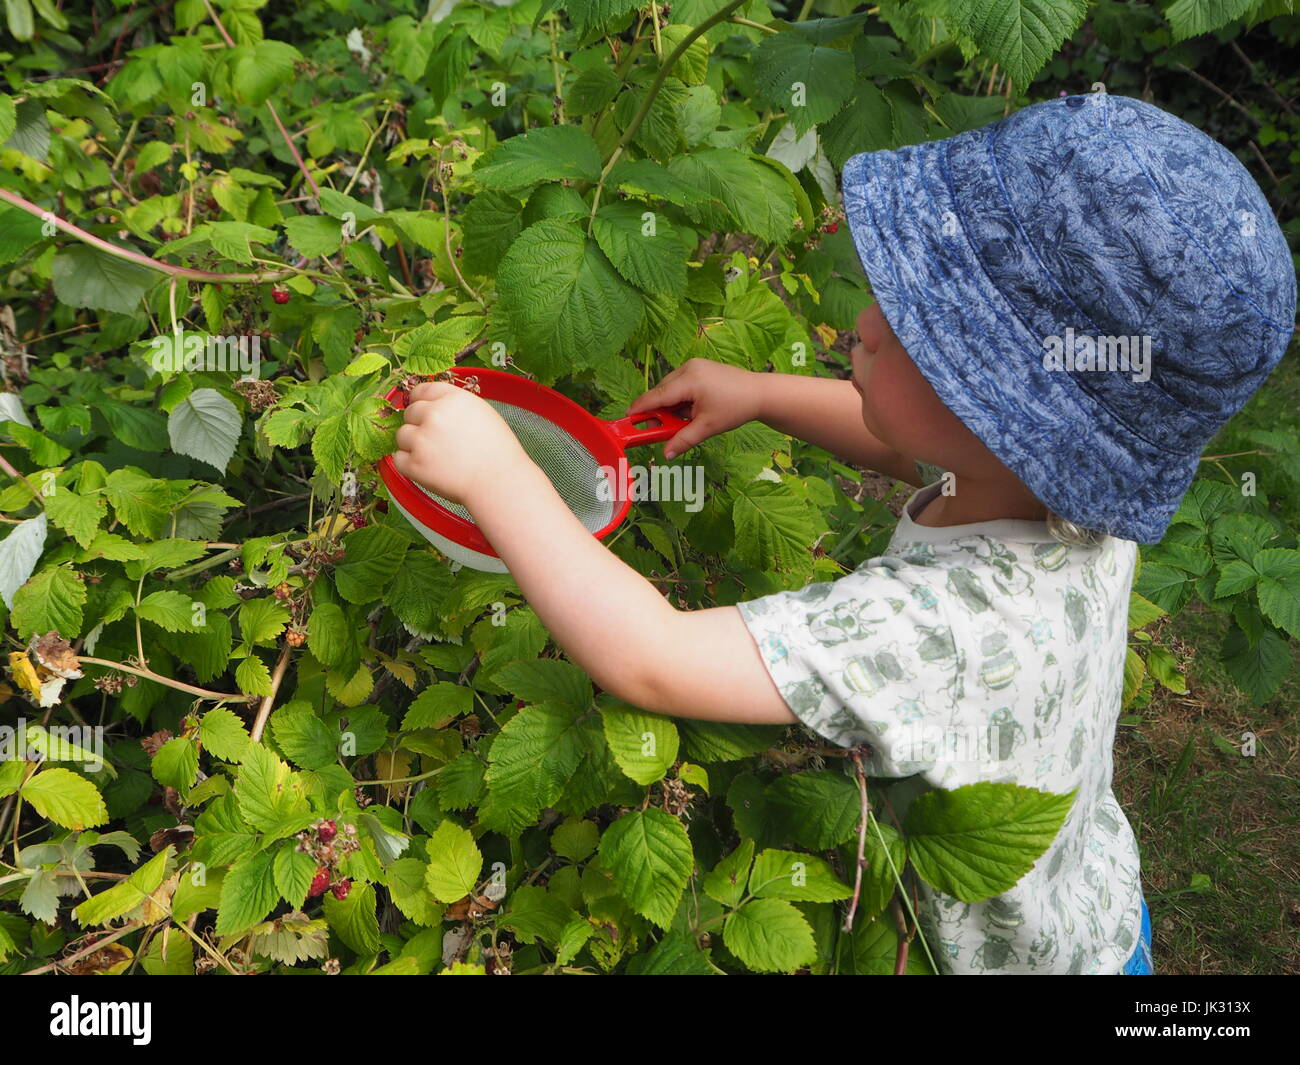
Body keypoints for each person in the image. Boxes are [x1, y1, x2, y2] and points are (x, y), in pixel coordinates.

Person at [392, 91, 1295, 973]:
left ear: (1004, 415)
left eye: (913, 330)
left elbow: (649, 655)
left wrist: (499, 473)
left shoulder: (945, 629)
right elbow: (930, 451)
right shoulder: (1061, 499)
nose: (863, 325)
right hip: (1095, 907)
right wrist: (766, 393)